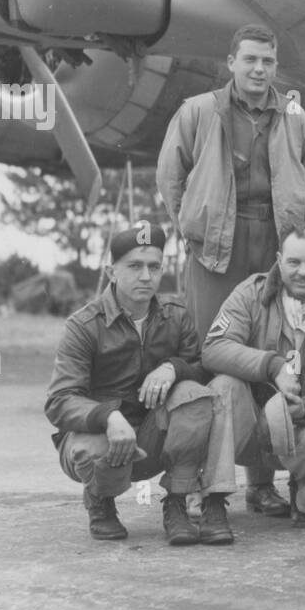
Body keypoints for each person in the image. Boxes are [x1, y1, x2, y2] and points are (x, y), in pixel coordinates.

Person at [156, 22, 305, 516]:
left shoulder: (293, 115)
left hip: (273, 241)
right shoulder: (199, 110)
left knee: (268, 352)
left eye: (268, 61)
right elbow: (170, 173)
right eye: (250, 60)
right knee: (212, 353)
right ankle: (198, 477)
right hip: (214, 249)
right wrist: (192, 225)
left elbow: (304, 170)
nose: (259, 69)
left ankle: (259, 483)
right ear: (231, 63)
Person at [45, 221, 237, 546]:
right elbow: (60, 400)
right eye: (134, 266)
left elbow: (201, 367)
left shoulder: (175, 316)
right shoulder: (83, 325)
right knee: (91, 451)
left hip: (153, 433)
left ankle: (176, 501)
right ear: (111, 271)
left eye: (154, 267)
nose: (146, 277)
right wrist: (107, 416)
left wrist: (172, 368)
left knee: (195, 395)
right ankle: (100, 500)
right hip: (103, 437)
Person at [200, 223, 305, 527]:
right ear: (278, 259)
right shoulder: (250, 292)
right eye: (294, 262)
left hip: (297, 423)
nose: (303, 271)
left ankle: (303, 492)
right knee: (224, 386)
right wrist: (272, 365)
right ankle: (214, 499)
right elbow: (214, 348)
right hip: (248, 421)